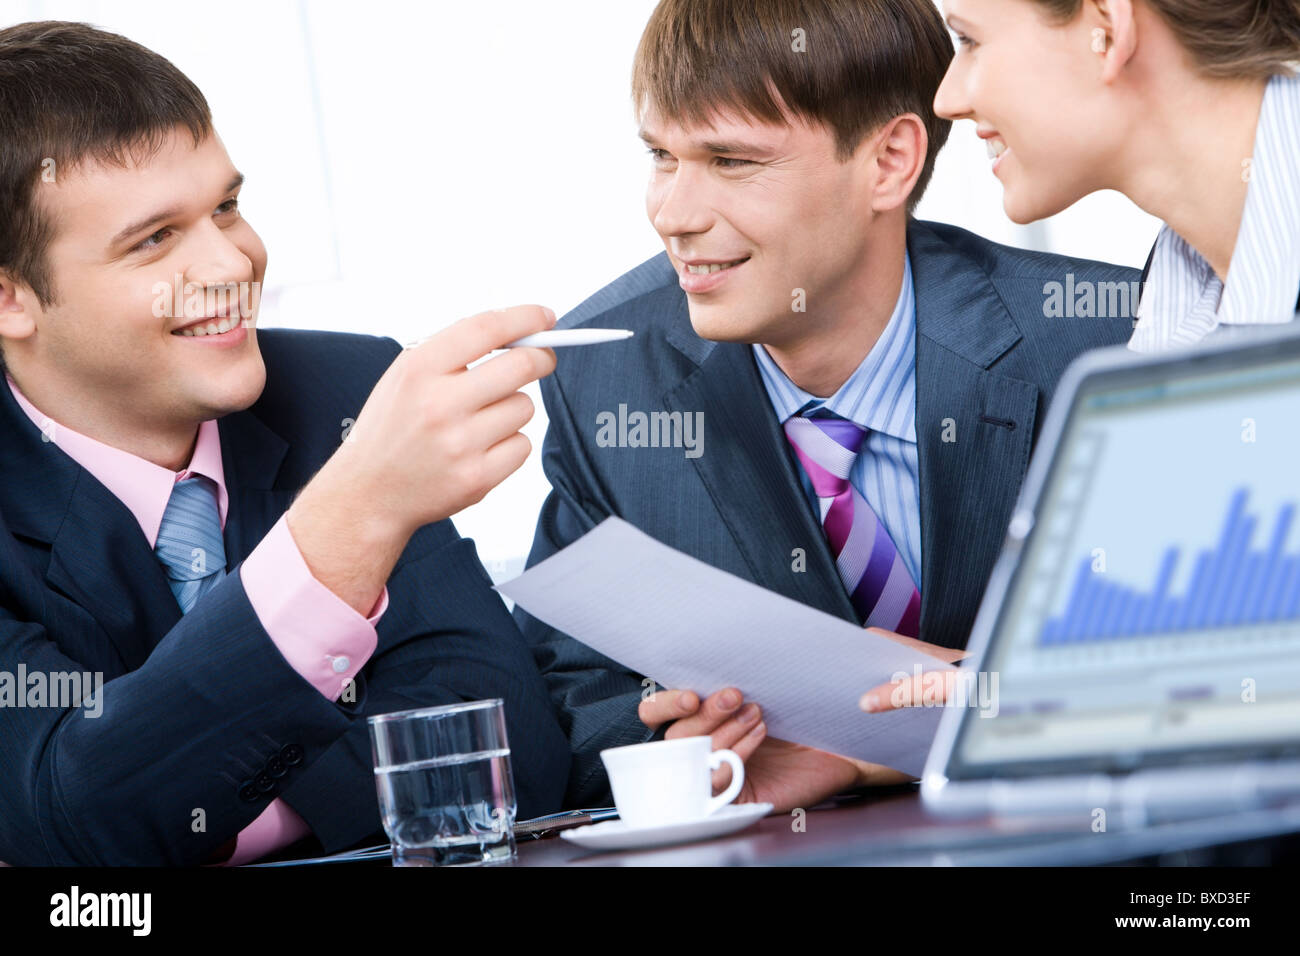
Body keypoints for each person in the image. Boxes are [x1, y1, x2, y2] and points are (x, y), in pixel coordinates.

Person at [515, 0, 1140, 812]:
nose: (674, 214)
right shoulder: (605, 377)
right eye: (662, 156)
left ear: (889, 161)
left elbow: (1201, 671)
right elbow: (571, 684)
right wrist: (665, 747)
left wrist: (984, 701)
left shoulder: (1108, 344)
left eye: (733, 161)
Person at [0, 20, 569, 866]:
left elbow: (509, 742)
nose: (232, 265)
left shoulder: (349, 393)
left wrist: (192, 804)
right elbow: (73, 820)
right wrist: (349, 522)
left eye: (226, 207)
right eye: (155, 239)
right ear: (12, 300)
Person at [864, 0, 1300, 713]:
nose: (948, 96)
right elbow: (1193, 651)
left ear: (1107, 29)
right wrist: (955, 700)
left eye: (969, 40)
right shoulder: (1184, 292)